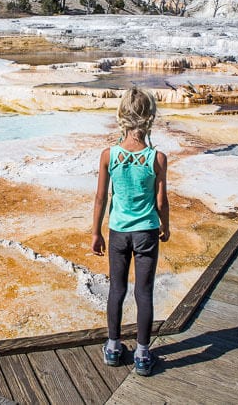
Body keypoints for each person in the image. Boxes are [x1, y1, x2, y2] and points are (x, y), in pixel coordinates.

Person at [91, 86, 170, 376]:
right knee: (144, 291)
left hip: (118, 232)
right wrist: (167, 226)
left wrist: (95, 232)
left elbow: (101, 197)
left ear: (121, 115)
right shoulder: (156, 158)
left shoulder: (108, 155)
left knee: (117, 288)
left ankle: (113, 348)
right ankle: (142, 355)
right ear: (150, 118)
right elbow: (161, 200)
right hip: (147, 232)